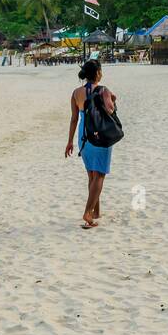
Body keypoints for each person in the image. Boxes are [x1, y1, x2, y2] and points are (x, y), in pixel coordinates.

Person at [65, 59, 117, 229]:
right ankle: (88, 212)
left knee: (92, 176)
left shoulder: (76, 93)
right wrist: (113, 100)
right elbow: (110, 111)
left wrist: (69, 141)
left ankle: (96, 212)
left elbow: (74, 119)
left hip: (83, 135)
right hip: (100, 134)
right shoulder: (103, 90)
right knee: (99, 175)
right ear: (97, 73)